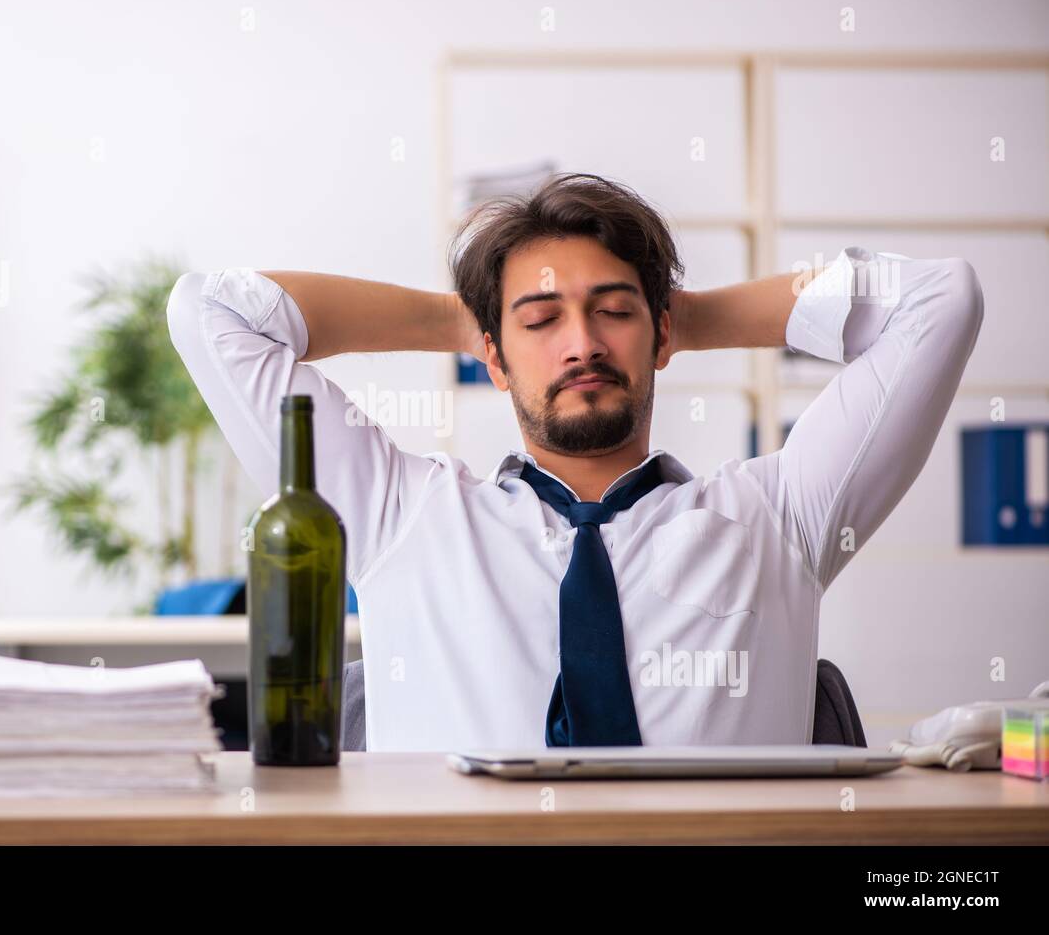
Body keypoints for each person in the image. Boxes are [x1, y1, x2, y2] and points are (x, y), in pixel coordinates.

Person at [166, 172, 984, 751]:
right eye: (541, 320)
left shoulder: (780, 514)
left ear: (660, 334)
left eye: (613, 312)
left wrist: (688, 315)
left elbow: (938, 298)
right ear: (492, 356)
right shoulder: (402, 514)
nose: (583, 343)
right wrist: (464, 321)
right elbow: (210, 312)